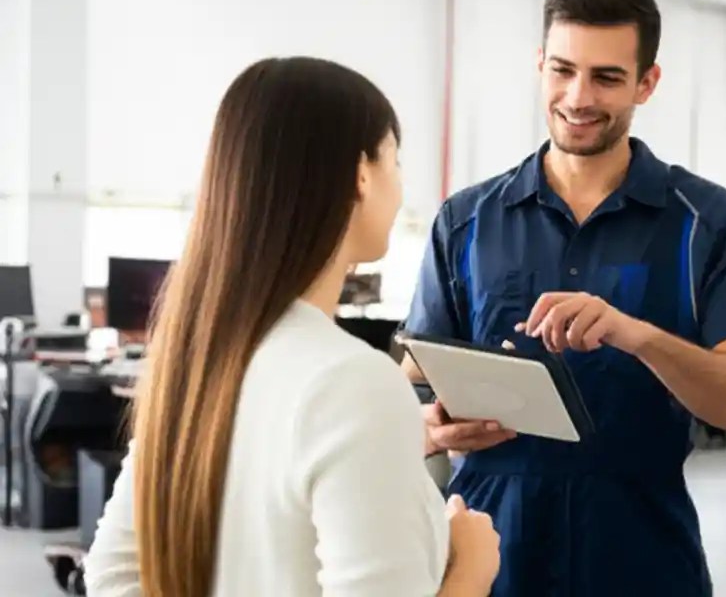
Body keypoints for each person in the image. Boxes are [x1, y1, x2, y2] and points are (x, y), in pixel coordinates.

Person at [401, 0, 726, 596]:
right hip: (489, 559)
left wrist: (638, 336)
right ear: (540, 64)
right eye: (562, 70)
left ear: (647, 83)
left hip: (642, 556)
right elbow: (416, 372)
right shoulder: (464, 220)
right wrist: (430, 428)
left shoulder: (705, 221)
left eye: (606, 77)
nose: (577, 97)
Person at [83, 57, 500, 597]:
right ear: (361, 174)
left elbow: (113, 578)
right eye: (396, 162)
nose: (399, 191)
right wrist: (470, 569)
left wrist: (391, 441)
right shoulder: (355, 380)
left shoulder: (198, 359)